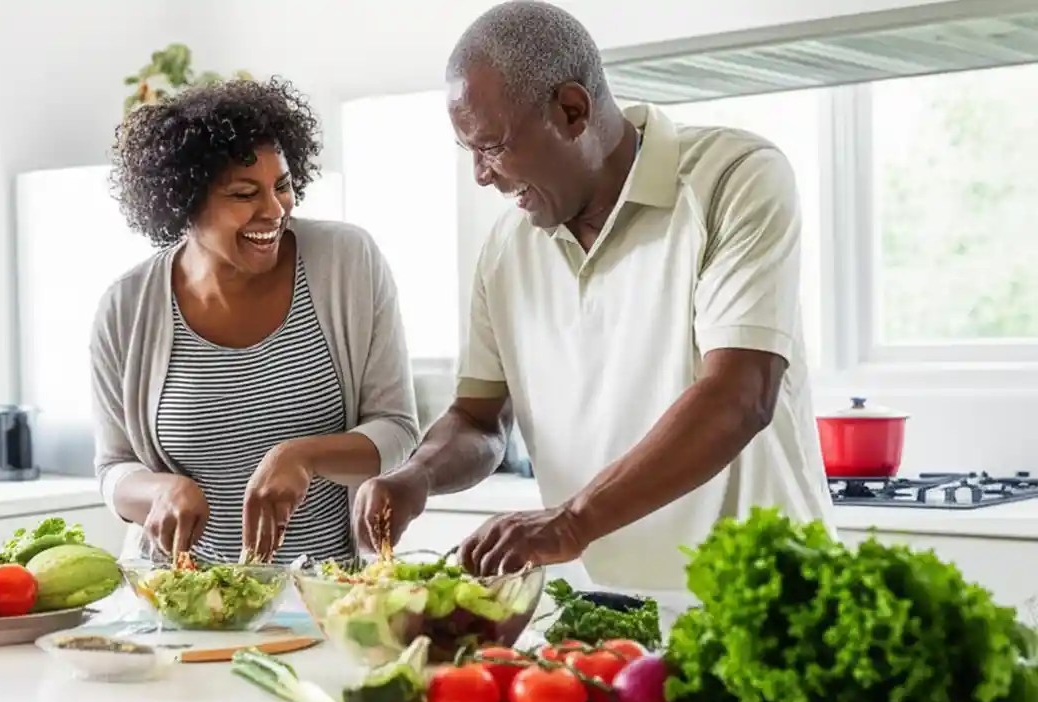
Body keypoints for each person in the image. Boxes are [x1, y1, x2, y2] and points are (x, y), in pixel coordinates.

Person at [352, 0, 833, 598]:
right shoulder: (505, 249)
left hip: (761, 605)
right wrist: (417, 475)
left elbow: (740, 396)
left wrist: (573, 520)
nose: (481, 175)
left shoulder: (734, 179)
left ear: (572, 110)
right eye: (468, 151)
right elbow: (479, 421)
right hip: (605, 619)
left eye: (493, 146)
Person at [92, 77, 419, 566]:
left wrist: (305, 456)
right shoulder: (126, 308)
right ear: (185, 203)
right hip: (189, 602)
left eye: (282, 185)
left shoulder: (347, 262)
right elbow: (114, 468)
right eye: (245, 194)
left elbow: (398, 430)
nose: (274, 209)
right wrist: (158, 491)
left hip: (330, 595)